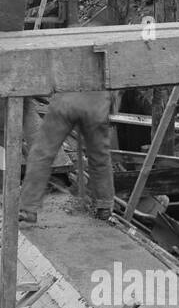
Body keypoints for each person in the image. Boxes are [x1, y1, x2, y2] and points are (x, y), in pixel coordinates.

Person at [18, 92, 115, 225]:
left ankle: (28, 208)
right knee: (99, 155)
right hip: (95, 98)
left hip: (67, 97)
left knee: (42, 152)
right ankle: (104, 206)